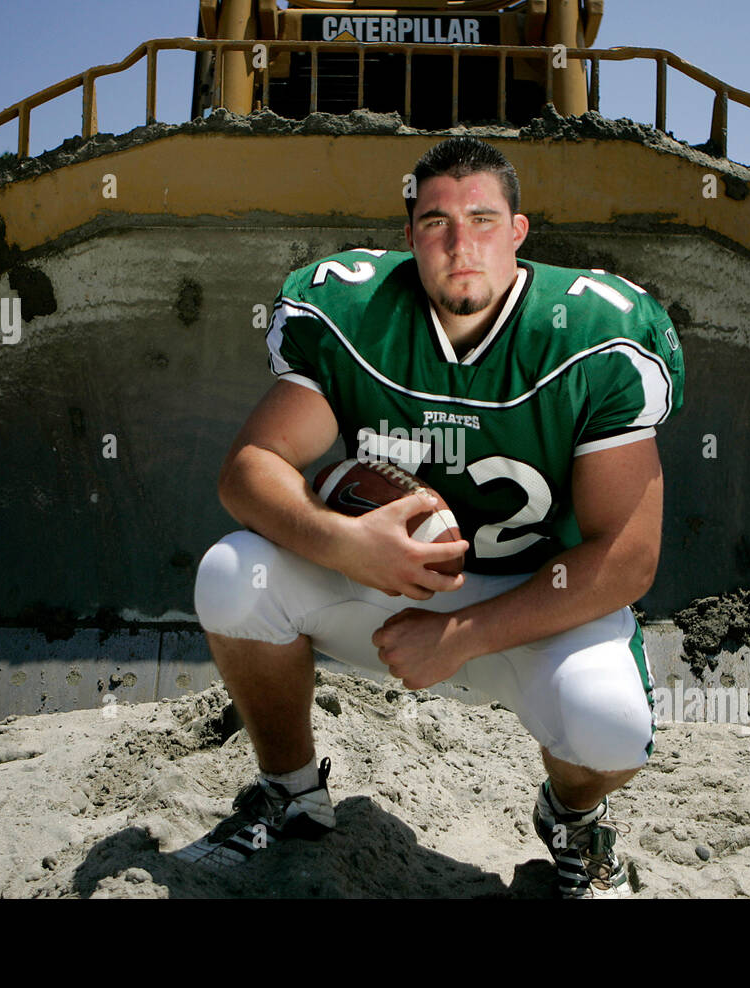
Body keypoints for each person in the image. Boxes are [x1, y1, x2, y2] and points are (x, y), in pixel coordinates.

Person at [188, 136, 684, 897]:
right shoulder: (356, 311)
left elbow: (627, 558)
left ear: (519, 233)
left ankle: (573, 819)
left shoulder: (595, 335)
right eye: (435, 223)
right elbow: (249, 468)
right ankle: (290, 791)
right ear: (409, 236)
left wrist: (465, 636)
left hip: (536, 599)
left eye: (483, 220)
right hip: (388, 583)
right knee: (232, 575)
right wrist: (345, 542)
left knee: (611, 725)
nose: (460, 244)